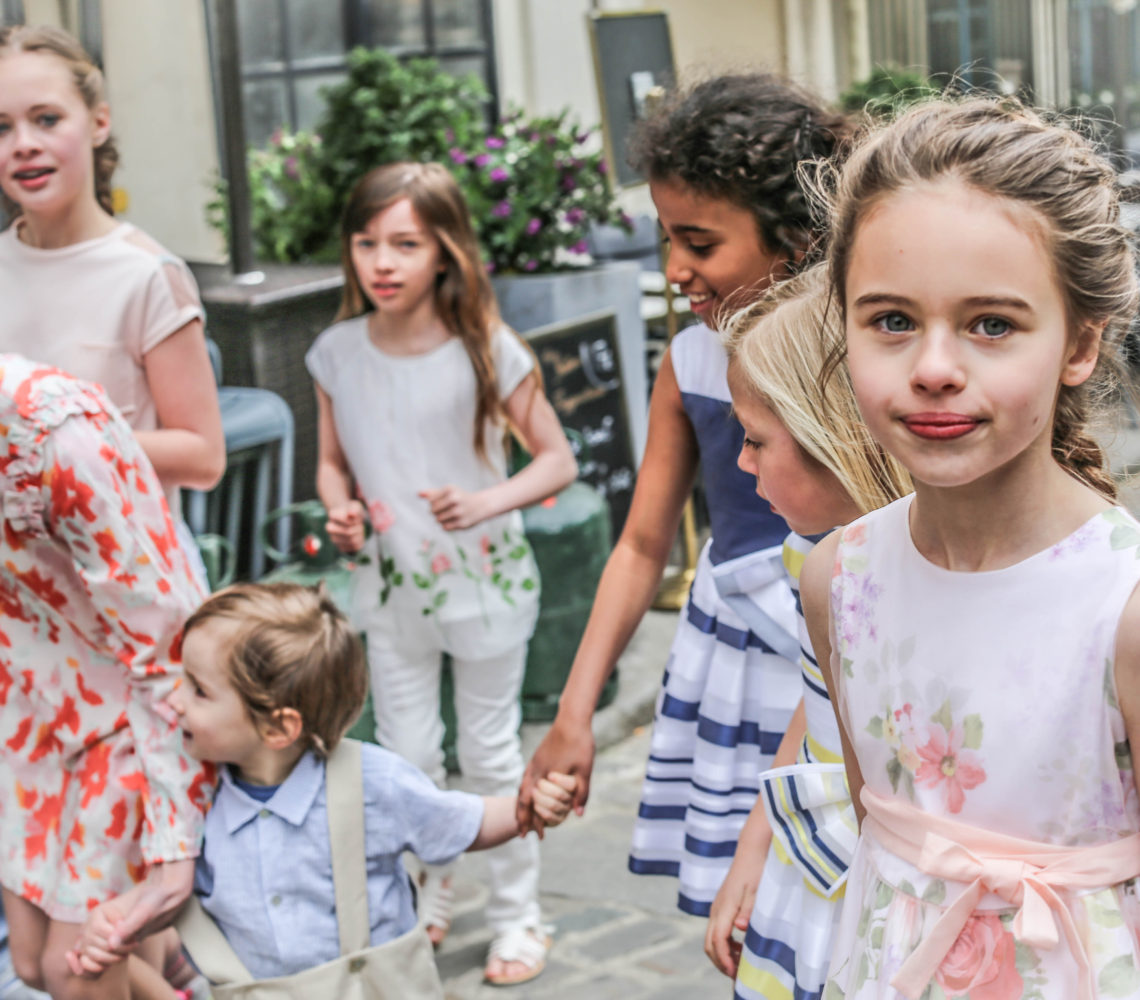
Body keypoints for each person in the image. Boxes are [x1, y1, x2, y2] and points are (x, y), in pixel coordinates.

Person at [800, 96, 1140, 998]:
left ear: (1080, 344)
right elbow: (882, 829)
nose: (935, 367)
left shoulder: (1125, 605)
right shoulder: (840, 578)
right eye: (892, 320)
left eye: (992, 324)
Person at [517, 73, 850, 918]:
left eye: (699, 243)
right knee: (745, 923)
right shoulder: (692, 361)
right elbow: (640, 545)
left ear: (799, 235)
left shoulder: (859, 367)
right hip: (731, 660)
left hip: (828, 664)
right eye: (667, 238)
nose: (674, 269)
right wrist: (574, 711)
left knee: (833, 896)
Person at [305, 161, 578, 985]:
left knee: (494, 756)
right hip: (387, 590)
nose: (383, 263)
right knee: (409, 755)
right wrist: (340, 509)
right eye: (367, 243)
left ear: (445, 252)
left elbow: (557, 461)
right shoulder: (334, 353)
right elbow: (330, 464)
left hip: (484, 584)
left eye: (405, 244)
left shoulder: (485, 349)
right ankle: (426, 900)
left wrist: (489, 499)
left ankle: (519, 917)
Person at [69, 583, 578, 991]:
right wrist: (117, 920)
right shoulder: (198, 799)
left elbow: (460, 820)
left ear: (277, 727)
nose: (175, 702)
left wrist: (527, 808)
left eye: (199, 690)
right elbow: (175, 894)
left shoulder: (368, 782)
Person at [701, 266, 911, 999]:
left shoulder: (916, 579)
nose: (741, 460)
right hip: (808, 872)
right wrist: (752, 851)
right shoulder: (813, 559)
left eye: (757, 439)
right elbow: (818, 701)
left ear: (833, 438)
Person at [0, 355, 213, 1000]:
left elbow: (169, 640)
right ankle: (186, 972)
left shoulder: (56, 432)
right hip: (27, 722)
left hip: (127, 719)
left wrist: (175, 838)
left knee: (75, 971)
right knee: (35, 964)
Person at [0, 26, 224, 557]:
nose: (25, 143)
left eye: (47, 119)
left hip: (127, 586)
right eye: (1, 127)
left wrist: (51, 446)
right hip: (19, 592)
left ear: (99, 121)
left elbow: (204, 456)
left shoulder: (146, 275)